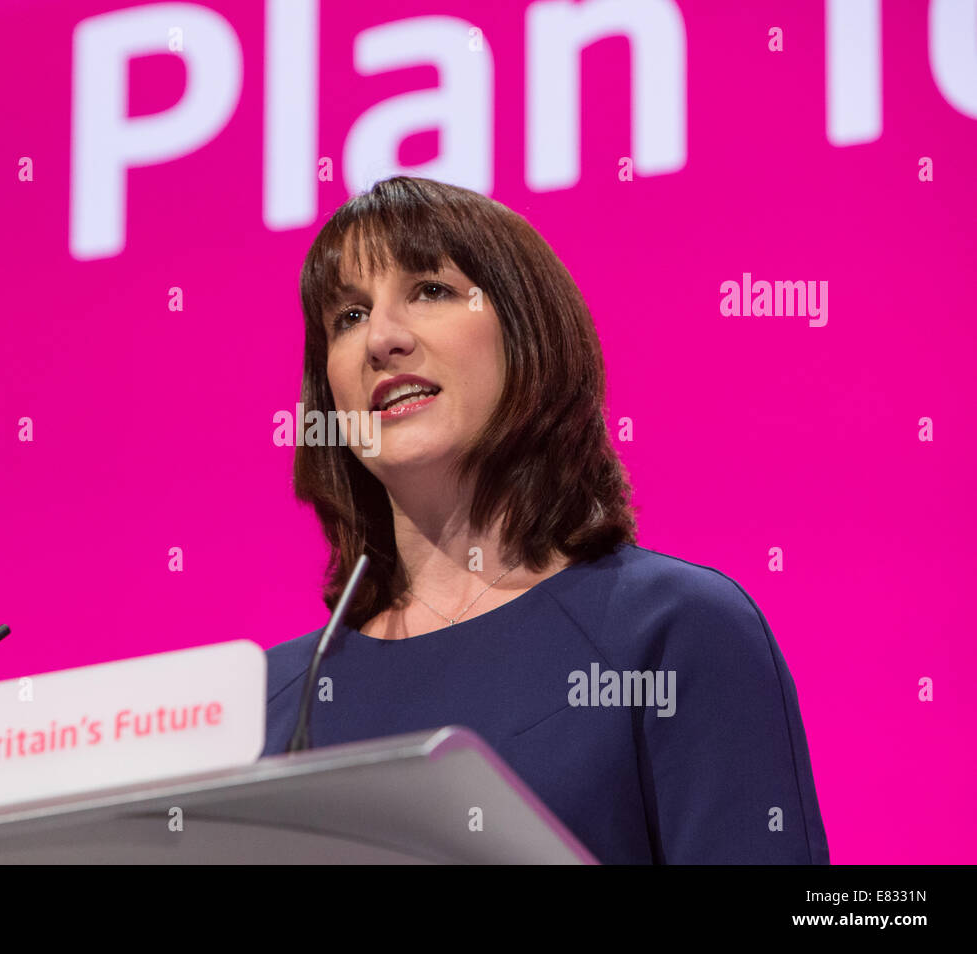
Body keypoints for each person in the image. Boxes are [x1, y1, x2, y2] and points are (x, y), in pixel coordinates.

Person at [262, 175, 829, 864]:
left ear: (528, 332)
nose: (381, 338)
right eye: (347, 316)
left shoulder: (673, 630)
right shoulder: (272, 701)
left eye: (430, 290)